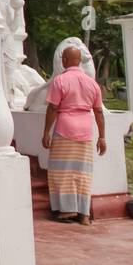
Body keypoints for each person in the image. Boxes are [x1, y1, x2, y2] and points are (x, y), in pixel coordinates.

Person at [41, 43, 107, 225]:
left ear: (64, 61)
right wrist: (102, 137)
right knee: (83, 172)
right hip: (86, 130)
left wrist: (46, 132)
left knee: (61, 171)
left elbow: (53, 107)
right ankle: (84, 214)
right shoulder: (92, 83)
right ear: (78, 61)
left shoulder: (60, 81)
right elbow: (99, 111)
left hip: (65, 128)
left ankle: (67, 211)